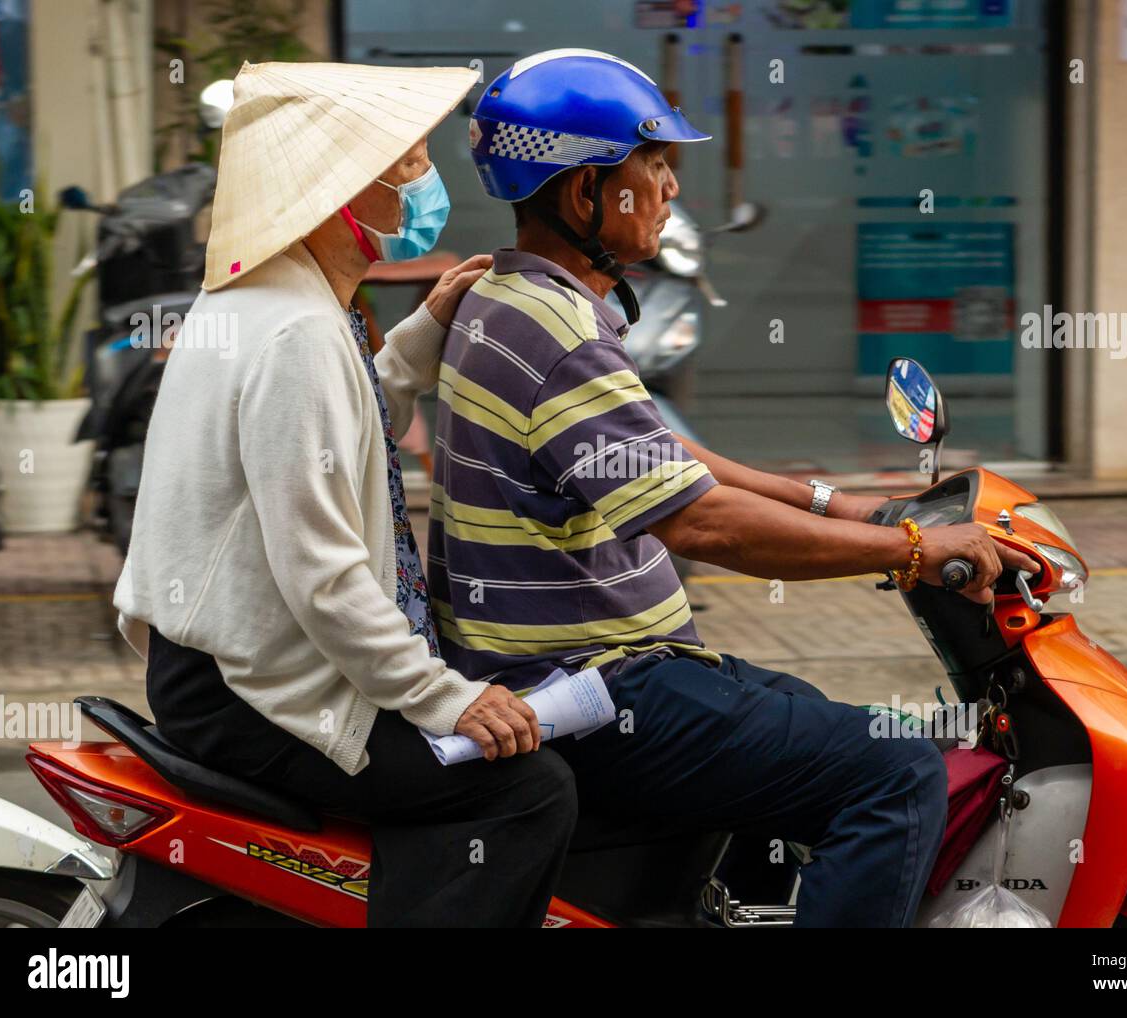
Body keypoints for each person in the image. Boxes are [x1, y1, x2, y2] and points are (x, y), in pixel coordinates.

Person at [432, 49, 1039, 927]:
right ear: (584, 196)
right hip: (595, 688)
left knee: (807, 716)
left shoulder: (523, 301)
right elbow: (704, 524)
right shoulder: (556, 332)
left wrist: (845, 506)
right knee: (898, 767)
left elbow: (675, 462)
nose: (674, 187)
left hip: (604, 672)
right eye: (656, 165)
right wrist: (910, 549)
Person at [113, 60, 576, 928]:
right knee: (529, 792)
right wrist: (448, 698)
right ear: (338, 189)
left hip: (212, 668)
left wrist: (420, 333)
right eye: (404, 162)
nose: (421, 182)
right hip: (251, 692)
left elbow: (340, 435)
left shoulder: (263, 303)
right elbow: (324, 575)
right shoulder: (297, 334)